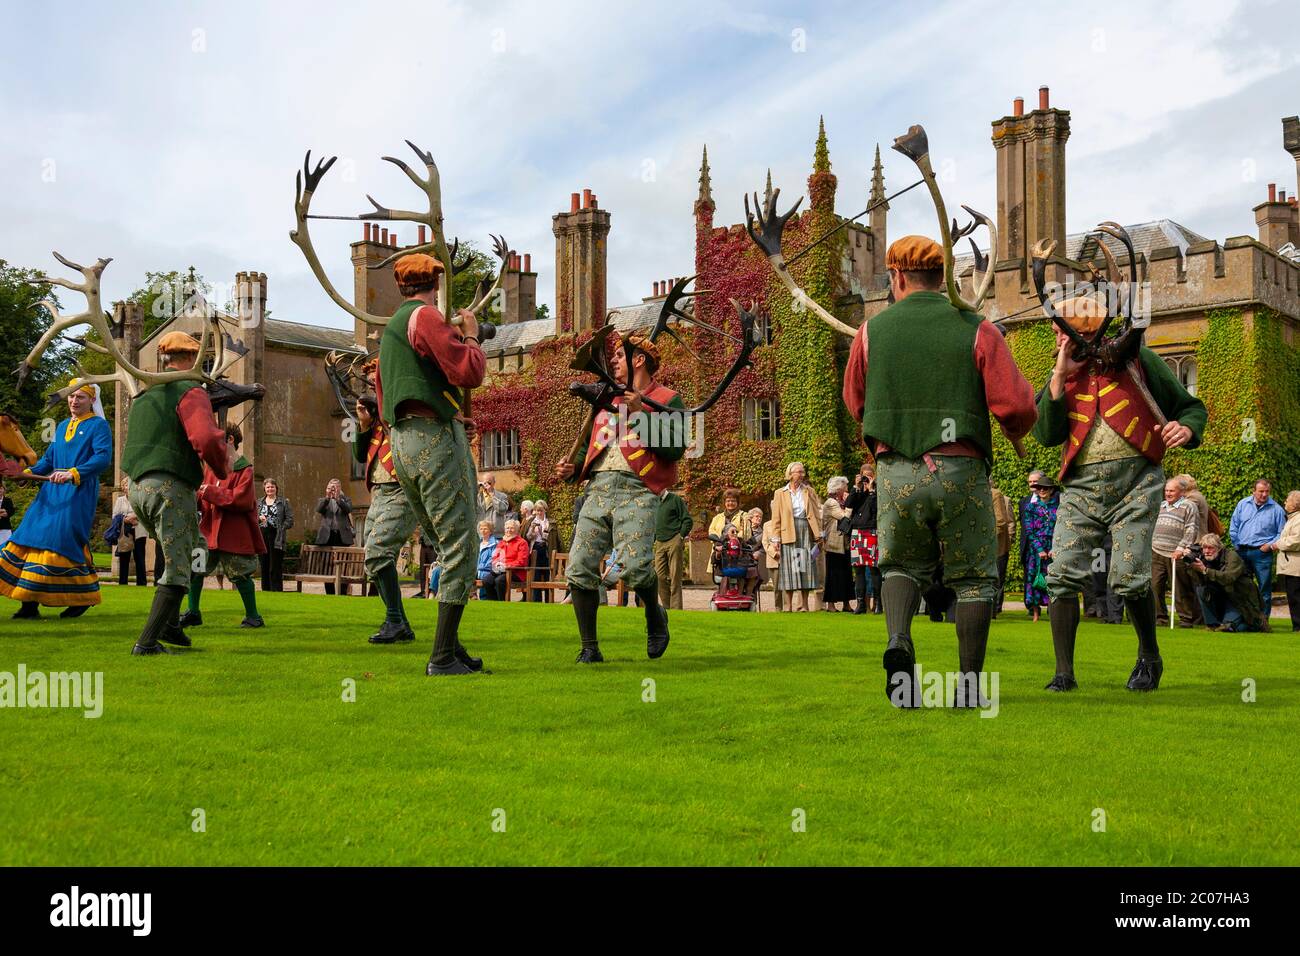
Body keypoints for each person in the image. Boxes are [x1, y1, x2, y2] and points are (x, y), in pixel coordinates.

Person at [843, 235, 1037, 707]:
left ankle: (899, 641)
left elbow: (856, 402)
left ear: (897, 276)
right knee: (973, 578)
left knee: (900, 566)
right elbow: (1015, 406)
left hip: (895, 473)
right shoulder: (978, 328)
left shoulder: (871, 332)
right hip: (961, 472)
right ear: (943, 276)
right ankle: (968, 686)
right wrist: (1015, 425)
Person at [1033, 296, 1206, 692]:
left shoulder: (1139, 361)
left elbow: (1190, 407)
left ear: (1086, 330)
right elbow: (1046, 436)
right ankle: (1063, 673)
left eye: (1062, 328)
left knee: (1128, 575)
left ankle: (1149, 656)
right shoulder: (1063, 373)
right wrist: (1059, 377)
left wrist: (1187, 428)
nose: (1056, 334)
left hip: (1137, 483)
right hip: (1079, 488)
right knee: (1060, 574)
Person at [376, 252, 487, 675]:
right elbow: (469, 370)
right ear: (435, 284)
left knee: (443, 542)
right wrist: (473, 336)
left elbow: (396, 392)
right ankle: (441, 656)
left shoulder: (391, 328)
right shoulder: (425, 318)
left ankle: (453, 647)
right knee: (461, 543)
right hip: (433, 440)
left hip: (402, 442)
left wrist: (450, 412)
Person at [554, 331, 687, 663]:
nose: (612, 361)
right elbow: (590, 448)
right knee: (579, 567)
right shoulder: (606, 400)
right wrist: (572, 470)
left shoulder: (668, 399)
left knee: (636, 566)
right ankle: (589, 647)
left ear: (638, 359)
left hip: (638, 491)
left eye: (617, 356)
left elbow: (675, 448)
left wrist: (640, 413)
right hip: (596, 489)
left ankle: (656, 616)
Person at [121, 332, 229, 654]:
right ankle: (147, 643)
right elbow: (207, 439)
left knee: (194, 549)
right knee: (180, 563)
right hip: (170, 487)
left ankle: (169, 625)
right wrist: (222, 469)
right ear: (192, 359)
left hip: (139, 489)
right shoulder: (190, 390)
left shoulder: (144, 394)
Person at [0, 380, 113, 619]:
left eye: (80, 397)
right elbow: (49, 460)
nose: (74, 401)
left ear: (92, 400)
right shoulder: (61, 426)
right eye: (71, 397)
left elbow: (103, 458)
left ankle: (81, 598)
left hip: (78, 491)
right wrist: (27, 473)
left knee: (60, 540)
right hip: (50, 492)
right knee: (28, 536)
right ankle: (29, 605)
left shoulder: (99, 426)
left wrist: (74, 473)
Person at [352, 359, 420, 643]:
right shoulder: (379, 424)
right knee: (373, 559)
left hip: (401, 490)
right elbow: (359, 456)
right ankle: (399, 622)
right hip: (378, 493)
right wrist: (364, 424)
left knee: (378, 553)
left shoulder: (400, 416)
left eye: (375, 377)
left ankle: (395, 620)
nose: (371, 383)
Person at [179, 423, 266, 628]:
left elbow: (241, 500)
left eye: (216, 440)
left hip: (233, 533)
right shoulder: (210, 467)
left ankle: (254, 617)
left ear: (230, 440)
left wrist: (209, 492)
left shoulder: (245, 469)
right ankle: (193, 612)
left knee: (240, 574)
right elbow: (202, 497)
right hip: (208, 531)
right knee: (195, 568)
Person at [770, 462, 823, 613]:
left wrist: (818, 534)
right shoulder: (780, 493)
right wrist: (775, 539)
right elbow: (776, 518)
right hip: (788, 532)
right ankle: (788, 606)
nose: (801, 474)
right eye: (798, 472)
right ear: (790, 474)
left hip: (806, 530)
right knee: (789, 570)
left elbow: (816, 513)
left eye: (802, 472)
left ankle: (804, 605)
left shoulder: (809, 491)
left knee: (804, 567)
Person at [1188, 533, 1268, 632]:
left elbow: (1229, 578)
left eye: (1210, 548)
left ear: (1218, 548)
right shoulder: (1203, 558)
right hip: (1222, 596)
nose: (1207, 551)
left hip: (1240, 598)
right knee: (1201, 589)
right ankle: (1212, 624)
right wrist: (1193, 567)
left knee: (1230, 627)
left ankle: (1257, 624)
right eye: (1204, 548)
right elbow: (1199, 581)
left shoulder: (1232, 556)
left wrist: (1205, 570)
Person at [1229, 479, 1287, 613]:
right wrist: (1237, 544)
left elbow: (1282, 533)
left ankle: (1263, 621)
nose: (1264, 494)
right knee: (1241, 585)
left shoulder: (1276, 510)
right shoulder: (1243, 504)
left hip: (1262, 554)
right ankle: (1243, 618)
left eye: (1267, 491)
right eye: (1261, 491)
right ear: (1253, 491)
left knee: (1264, 589)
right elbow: (1234, 526)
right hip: (1242, 551)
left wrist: (1269, 545)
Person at [1151, 477, 1199, 628]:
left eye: (1171, 490)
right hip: (1157, 551)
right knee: (1155, 585)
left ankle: (1186, 618)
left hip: (1176, 553)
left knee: (1180, 588)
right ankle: (1160, 617)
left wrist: (1181, 547)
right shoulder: (1161, 505)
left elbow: (1191, 529)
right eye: (1166, 490)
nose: (1168, 493)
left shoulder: (1188, 506)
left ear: (1182, 492)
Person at [1019, 477, 1059, 622]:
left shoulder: (1058, 508)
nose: (1042, 490)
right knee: (1034, 579)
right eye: (1040, 488)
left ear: (1051, 490)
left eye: (1046, 488)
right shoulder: (1031, 508)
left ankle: (1053, 612)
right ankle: (1035, 614)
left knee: (1053, 580)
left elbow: (1060, 529)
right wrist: (1040, 549)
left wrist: (1055, 547)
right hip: (1036, 549)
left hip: (1053, 547)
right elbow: (1029, 531)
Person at [845, 461, 881, 614]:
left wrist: (872, 491)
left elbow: (875, 509)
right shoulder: (858, 491)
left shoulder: (877, 491)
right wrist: (856, 487)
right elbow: (849, 504)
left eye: (869, 477)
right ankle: (860, 604)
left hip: (872, 531)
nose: (866, 479)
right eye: (864, 477)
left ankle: (879, 604)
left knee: (874, 570)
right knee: (858, 570)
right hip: (857, 532)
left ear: (873, 477)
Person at [654, 489, 693, 610]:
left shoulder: (675, 499)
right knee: (659, 576)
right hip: (659, 542)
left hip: (674, 540)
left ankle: (676, 609)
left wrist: (680, 536)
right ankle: (666, 607)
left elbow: (687, 520)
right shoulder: (654, 502)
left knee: (675, 576)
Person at [315, 477, 354, 594]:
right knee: (327, 565)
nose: (333, 489)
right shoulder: (323, 500)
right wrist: (328, 497)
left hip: (342, 536)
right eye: (331, 487)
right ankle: (330, 592)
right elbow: (319, 509)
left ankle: (342, 591)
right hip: (327, 536)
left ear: (340, 488)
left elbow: (348, 510)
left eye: (335, 487)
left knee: (344, 565)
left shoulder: (346, 499)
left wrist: (338, 499)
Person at [821, 476, 854, 612]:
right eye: (845, 487)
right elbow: (843, 516)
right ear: (839, 489)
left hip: (844, 543)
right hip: (834, 544)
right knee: (833, 574)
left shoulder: (841, 501)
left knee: (846, 574)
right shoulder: (830, 503)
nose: (847, 489)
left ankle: (846, 604)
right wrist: (849, 505)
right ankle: (831, 604)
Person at [256, 478, 292, 592]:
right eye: (267, 487)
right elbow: (252, 519)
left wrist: (281, 527)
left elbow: (290, 520)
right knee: (264, 565)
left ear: (276, 488)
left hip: (277, 537)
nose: (270, 489)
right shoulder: (259, 502)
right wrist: (258, 518)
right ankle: (265, 590)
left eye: (272, 487)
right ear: (264, 489)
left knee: (275, 566)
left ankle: (276, 591)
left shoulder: (283, 502)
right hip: (262, 536)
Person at [706, 488, 752, 577]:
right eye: (728, 501)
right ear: (724, 503)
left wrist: (733, 538)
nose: (730, 503)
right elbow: (712, 532)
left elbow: (746, 533)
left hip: (738, 551)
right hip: (721, 551)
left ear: (738, 502)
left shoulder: (744, 516)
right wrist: (720, 541)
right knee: (720, 577)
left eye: (733, 501)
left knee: (739, 576)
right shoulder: (717, 518)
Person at [112, 476, 148, 586]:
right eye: (126, 485)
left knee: (139, 557)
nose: (128, 487)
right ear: (123, 488)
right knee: (124, 558)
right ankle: (123, 582)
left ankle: (141, 583)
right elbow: (115, 516)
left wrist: (134, 517)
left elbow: (144, 512)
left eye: (130, 485)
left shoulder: (140, 499)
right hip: (125, 532)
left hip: (139, 531)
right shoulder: (120, 500)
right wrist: (126, 519)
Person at [1274, 491, 1300, 632]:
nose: (1285, 502)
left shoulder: (1298, 519)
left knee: (1295, 596)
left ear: (1295, 504)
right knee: (1294, 595)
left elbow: (1296, 540)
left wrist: (1278, 543)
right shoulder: (1293, 518)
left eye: (1287, 500)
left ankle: (1298, 626)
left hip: (1296, 565)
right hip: (1292, 564)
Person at [526, 499, 562, 602]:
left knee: (547, 575)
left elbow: (555, 539)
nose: (539, 512)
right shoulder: (531, 521)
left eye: (541, 510)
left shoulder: (550, 522)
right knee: (536, 575)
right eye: (537, 510)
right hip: (535, 550)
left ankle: (548, 600)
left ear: (545, 510)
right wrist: (532, 529)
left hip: (547, 549)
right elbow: (528, 537)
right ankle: (536, 600)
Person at [486, 519, 529, 601]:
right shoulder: (501, 542)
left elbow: (521, 561)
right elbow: (495, 557)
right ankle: (492, 602)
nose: (509, 530)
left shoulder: (522, 543)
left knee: (499, 580)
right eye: (507, 528)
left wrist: (507, 566)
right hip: (500, 570)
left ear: (516, 530)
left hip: (516, 572)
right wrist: (496, 564)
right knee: (487, 580)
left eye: (512, 528)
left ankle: (502, 602)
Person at [990, 483, 1015, 617]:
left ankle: (994, 610)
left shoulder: (995, 494)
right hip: (987, 544)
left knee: (996, 579)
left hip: (996, 546)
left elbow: (1001, 522)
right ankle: (991, 609)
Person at [760, 512, 783, 612]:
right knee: (777, 587)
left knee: (789, 586)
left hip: (787, 558)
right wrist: (775, 554)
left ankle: (788, 607)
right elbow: (765, 542)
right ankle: (778, 608)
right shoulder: (767, 525)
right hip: (773, 560)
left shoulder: (787, 523)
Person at [477, 472, 510, 537]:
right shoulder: (477, 497)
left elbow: (502, 510)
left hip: (496, 534)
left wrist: (492, 495)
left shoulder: (502, 496)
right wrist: (476, 489)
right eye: (484, 483)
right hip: (481, 534)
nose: (486, 485)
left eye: (489, 483)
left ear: (494, 483)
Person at [475, 521, 500, 600]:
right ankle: (471, 597)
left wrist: (479, 568)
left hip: (488, 570)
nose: (483, 531)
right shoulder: (476, 543)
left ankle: (484, 599)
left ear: (490, 531)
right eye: (481, 529)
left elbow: (493, 560)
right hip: (476, 570)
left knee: (485, 577)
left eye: (485, 529)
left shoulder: (495, 544)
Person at [0, 481, 15, 550]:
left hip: (5, 528)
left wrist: (7, 513)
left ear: (4, 489)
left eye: (1, 488)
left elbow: (12, 511)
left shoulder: (8, 500)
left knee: (6, 547)